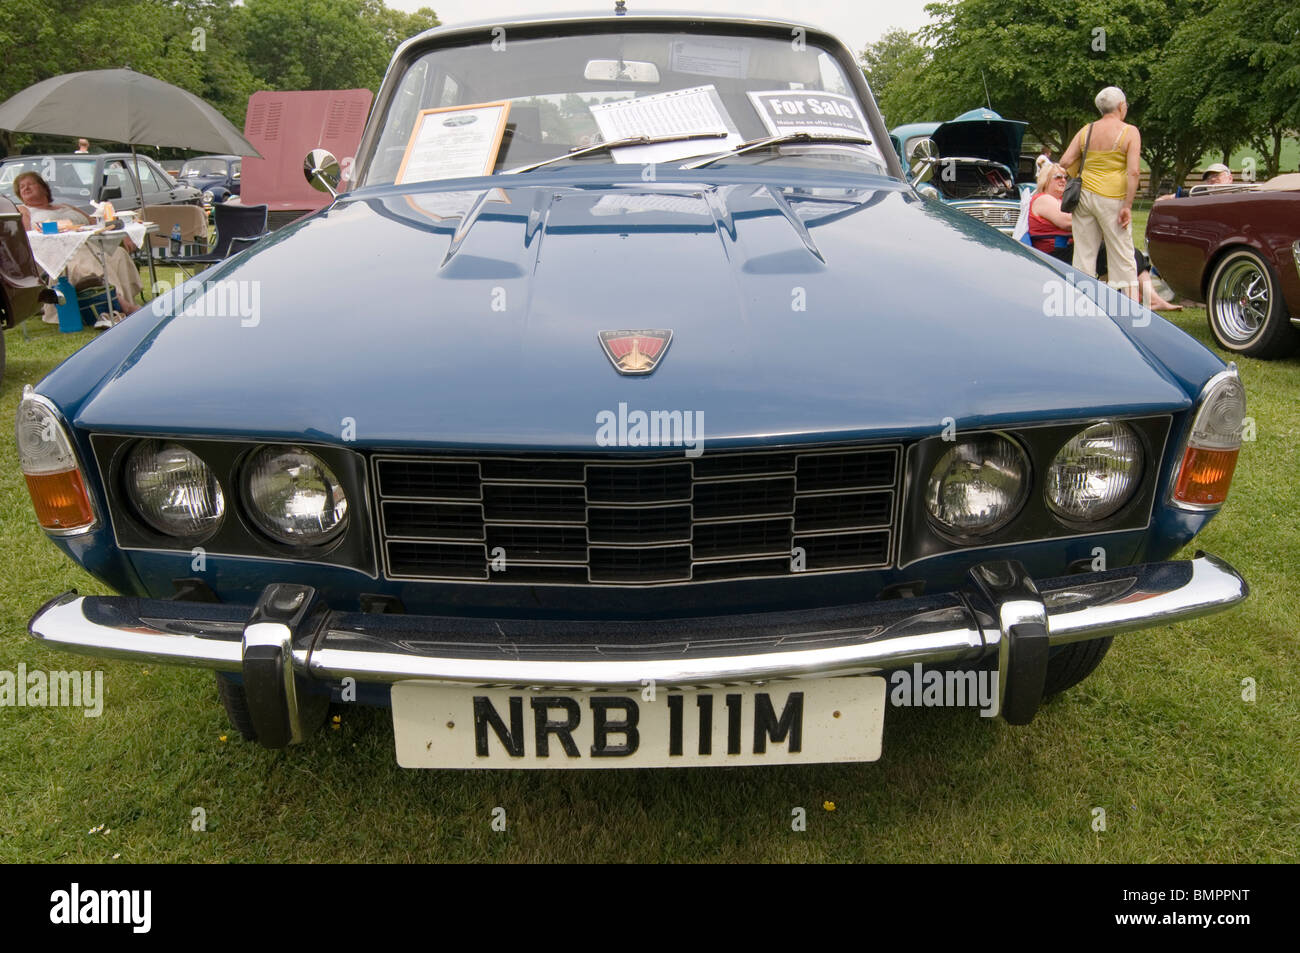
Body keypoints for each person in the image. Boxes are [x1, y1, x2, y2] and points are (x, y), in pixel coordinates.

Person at [1028, 162, 1181, 311]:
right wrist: (1100, 220)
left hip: (1074, 247)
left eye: (1065, 177)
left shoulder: (1061, 201)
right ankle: (1146, 300)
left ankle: (1152, 299)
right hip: (1054, 254)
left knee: (1132, 254)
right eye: (1057, 177)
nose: (1063, 180)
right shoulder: (1043, 199)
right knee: (1118, 253)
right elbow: (1066, 222)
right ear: (1045, 180)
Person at [14, 170, 142, 323]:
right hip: (60, 252)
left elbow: (95, 222)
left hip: (88, 243)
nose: (26, 188)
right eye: (21, 187)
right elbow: (26, 236)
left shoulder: (65, 206)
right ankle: (123, 305)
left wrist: (121, 230)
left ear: (43, 188)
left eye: (30, 184)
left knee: (118, 253)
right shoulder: (24, 210)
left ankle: (117, 304)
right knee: (89, 260)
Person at [1060, 86, 1141, 300]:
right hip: (1113, 198)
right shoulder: (1129, 131)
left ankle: (1081, 304)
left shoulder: (1087, 130)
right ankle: (1128, 307)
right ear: (1121, 107)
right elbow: (1133, 171)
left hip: (1084, 196)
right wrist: (1128, 205)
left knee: (1084, 254)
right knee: (1122, 255)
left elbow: (1065, 161)